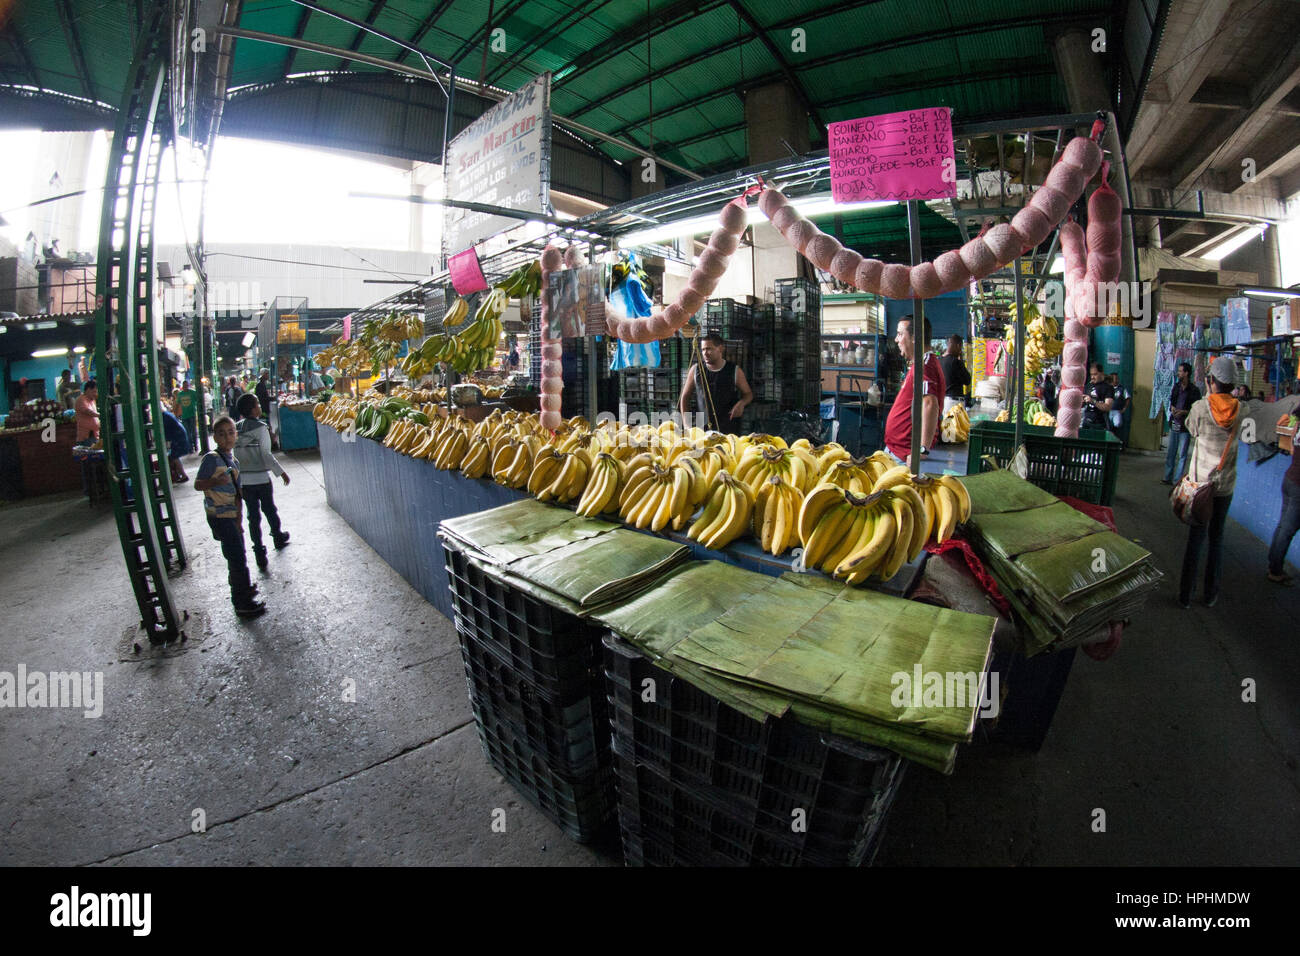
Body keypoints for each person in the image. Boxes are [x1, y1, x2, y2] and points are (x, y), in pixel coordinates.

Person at [1178, 355, 1242, 609]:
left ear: (1211, 381)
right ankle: (1211, 594)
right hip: (1224, 488)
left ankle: (1185, 596)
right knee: (1217, 539)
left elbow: (1191, 429)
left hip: (1201, 486)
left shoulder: (1201, 408)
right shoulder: (1242, 409)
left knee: (1196, 538)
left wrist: (1207, 396)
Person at [194, 415, 264, 619]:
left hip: (232, 516)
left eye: (231, 433)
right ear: (215, 437)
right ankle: (242, 602)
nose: (227, 438)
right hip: (219, 516)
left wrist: (239, 519)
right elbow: (198, 484)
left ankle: (242, 588)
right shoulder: (211, 459)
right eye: (222, 434)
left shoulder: (234, 460)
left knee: (239, 553)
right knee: (236, 557)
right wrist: (214, 482)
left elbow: (237, 493)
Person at [234, 393, 290, 570]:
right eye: (257, 403)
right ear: (252, 409)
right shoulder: (261, 428)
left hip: (245, 482)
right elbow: (266, 454)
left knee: (253, 517)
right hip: (261, 480)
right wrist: (281, 473)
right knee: (270, 510)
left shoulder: (236, 429)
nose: (260, 406)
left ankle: (259, 551)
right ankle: (278, 537)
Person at [883, 314, 945, 467]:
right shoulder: (919, 365)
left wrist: (921, 450)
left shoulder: (925, 365)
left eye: (900, 334)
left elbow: (930, 403)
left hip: (904, 456)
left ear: (915, 337)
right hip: (896, 451)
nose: (896, 340)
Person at [678, 333, 753, 434]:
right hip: (702, 431)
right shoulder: (695, 370)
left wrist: (741, 403)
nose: (705, 353)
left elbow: (748, 394)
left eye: (709, 349)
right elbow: (685, 397)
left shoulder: (734, 371)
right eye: (703, 349)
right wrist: (687, 425)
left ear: (720, 349)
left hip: (728, 430)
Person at [1265, 450, 1300, 586]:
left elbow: (1292, 446)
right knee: (1287, 531)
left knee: (1282, 527)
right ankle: (1275, 571)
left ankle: (1273, 565)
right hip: (1298, 486)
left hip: (1290, 480)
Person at [1163, 362, 1199, 485]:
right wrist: (1173, 409)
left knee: (1182, 454)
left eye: (1180, 371)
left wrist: (1183, 412)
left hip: (1185, 425)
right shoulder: (1176, 387)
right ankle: (1167, 477)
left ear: (1186, 373)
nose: (1178, 373)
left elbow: (1196, 409)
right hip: (1175, 423)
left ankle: (1176, 480)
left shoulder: (1194, 390)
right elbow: (1172, 401)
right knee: (1171, 452)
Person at [160, 404, 192, 483]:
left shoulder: (164, 417)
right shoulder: (167, 414)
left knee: (174, 457)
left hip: (177, 438)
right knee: (173, 457)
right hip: (179, 436)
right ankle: (178, 475)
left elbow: (165, 432)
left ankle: (183, 475)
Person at [939, 334, 971, 414]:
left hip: (945, 402)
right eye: (961, 347)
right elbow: (967, 380)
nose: (960, 350)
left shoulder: (939, 361)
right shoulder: (955, 362)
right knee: (955, 426)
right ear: (958, 345)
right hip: (955, 403)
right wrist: (961, 361)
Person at [1081, 363, 1114, 431]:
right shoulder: (1088, 386)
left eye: (1095, 374)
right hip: (1086, 421)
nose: (1092, 377)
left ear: (1102, 373)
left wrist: (1093, 401)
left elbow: (1107, 407)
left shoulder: (1108, 388)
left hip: (1099, 424)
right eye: (1091, 374)